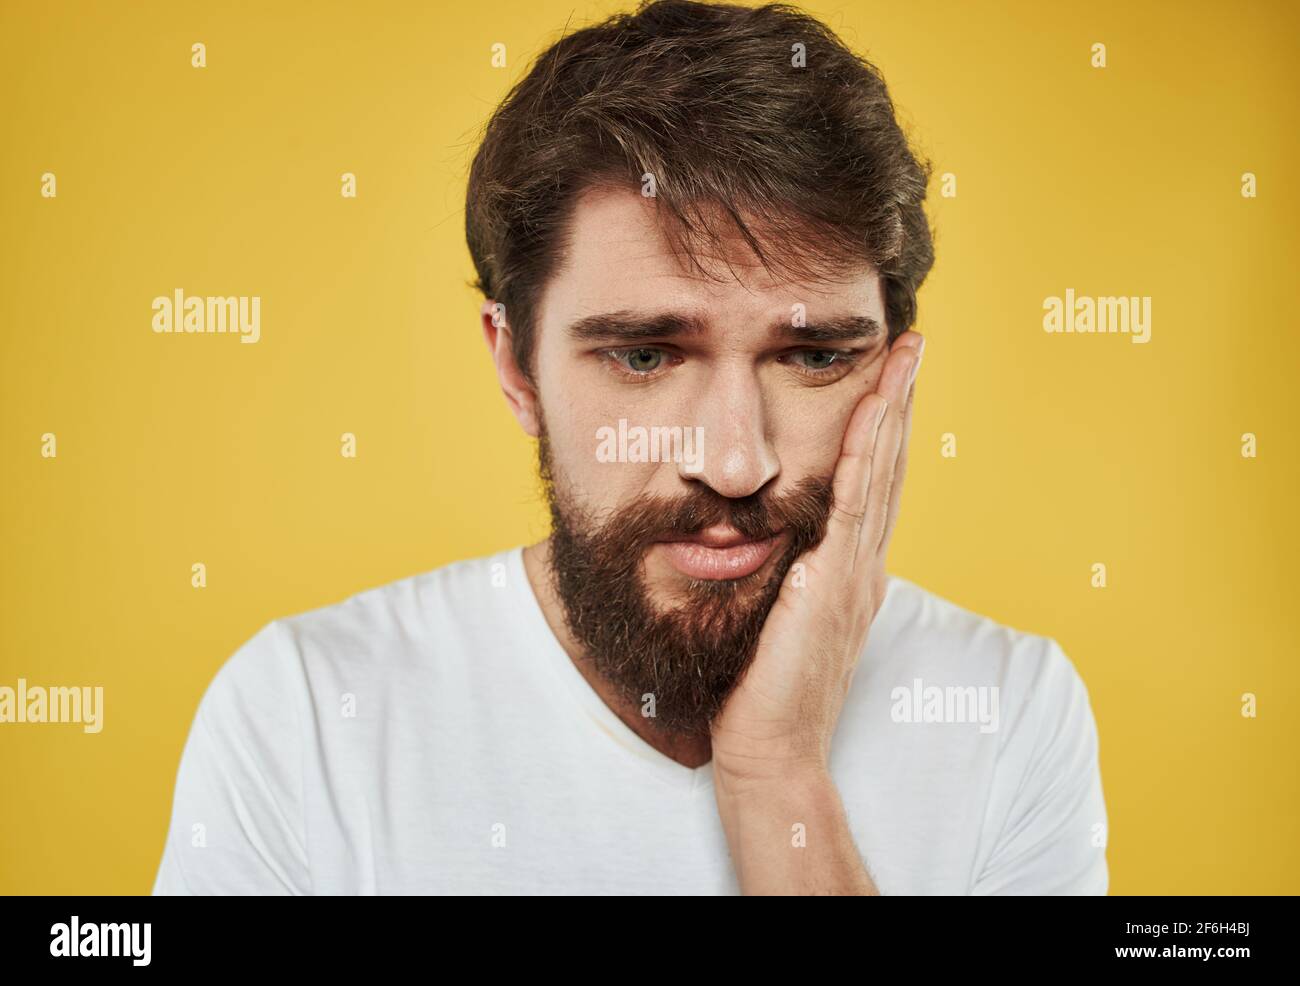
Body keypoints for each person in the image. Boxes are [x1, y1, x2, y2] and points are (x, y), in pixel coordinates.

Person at [153, 0, 1107, 895]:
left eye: (813, 355)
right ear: (517, 367)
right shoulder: (306, 714)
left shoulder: (1010, 709)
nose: (735, 465)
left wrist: (777, 777)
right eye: (645, 355)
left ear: (894, 370)